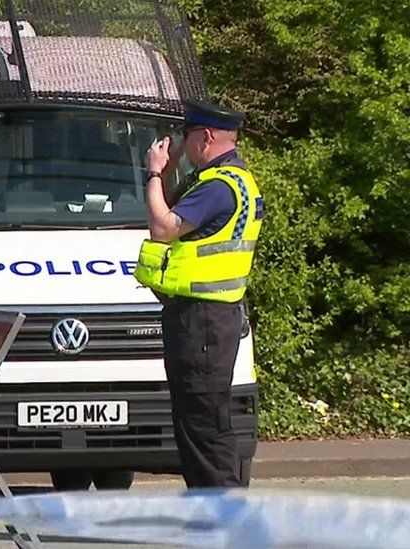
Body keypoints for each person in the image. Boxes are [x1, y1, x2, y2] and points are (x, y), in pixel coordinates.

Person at [134, 99, 264, 488]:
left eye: (186, 136)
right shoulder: (231, 180)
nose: (182, 144)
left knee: (203, 422)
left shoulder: (217, 187)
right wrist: (170, 177)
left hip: (203, 319)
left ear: (205, 137)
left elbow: (163, 226)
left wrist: (154, 174)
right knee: (204, 417)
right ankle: (217, 511)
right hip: (211, 317)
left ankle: (219, 514)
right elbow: (183, 218)